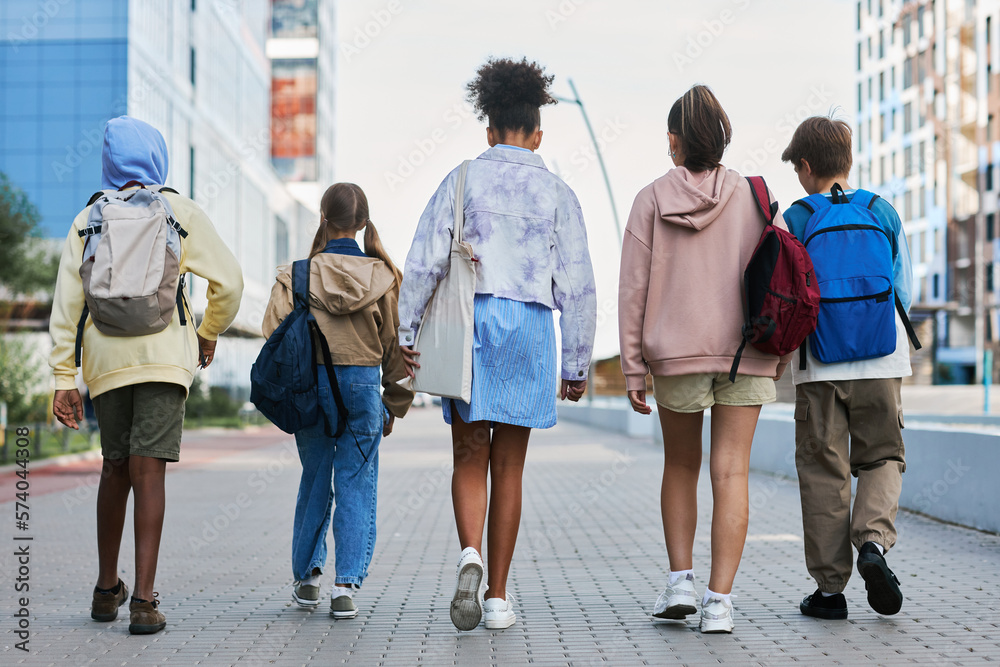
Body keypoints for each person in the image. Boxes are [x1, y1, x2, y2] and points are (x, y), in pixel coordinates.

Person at [397, 57, 597, 631]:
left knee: (467, 454)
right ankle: (498, 600)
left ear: (489, 131)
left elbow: (423, 263)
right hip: (530, 331)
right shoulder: (558, 193)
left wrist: (407, 335)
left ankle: (469, 556)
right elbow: (578, 286)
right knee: (509, 467)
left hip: (470, 326)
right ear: (538, 134)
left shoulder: (461, 178)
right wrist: (577, 362)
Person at [49, 116, 244, 635]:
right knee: (147, 471)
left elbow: (66, 306)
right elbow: (231, 281)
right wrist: (208, 331)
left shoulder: (87, 218)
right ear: (157, 159)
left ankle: (105, 588)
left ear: (110, 164)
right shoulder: (179, 210)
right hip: (164, 360)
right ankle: (144, 600)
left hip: (107, 362)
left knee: (114, 468)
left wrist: (63, 377)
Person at [618, 85, 791, 634]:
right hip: (746, 353)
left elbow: (633, 291)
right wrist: (780, 351)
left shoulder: (651, 199)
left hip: (677, 357)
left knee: (681, 465)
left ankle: (680, 584)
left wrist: (631, 366)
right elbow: (782, 276)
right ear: (723, 139)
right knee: (731, 470)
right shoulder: (755, 197)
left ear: (673, 142)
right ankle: (720, 602)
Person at [780, 116, 913, 620]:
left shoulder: (795, 218)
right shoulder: (882, 211)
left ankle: (830, 592)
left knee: (823, 470)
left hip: (819, 365)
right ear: (849, 161)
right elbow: (903, 290)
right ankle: (873, 544)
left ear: (807, 166)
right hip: (883, 358)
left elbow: (783, 294)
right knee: (881, 455)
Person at [262, 183, 414, 620]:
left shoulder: (296, 275)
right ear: (363, 223)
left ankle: (308, 580)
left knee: (315, 478)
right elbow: (397, 348)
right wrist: (395, 402)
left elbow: (272, 331)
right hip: (364, 389)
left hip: (313, 388)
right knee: (357, 483)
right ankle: (344, 587)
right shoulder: (384, 277)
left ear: (323, 220)